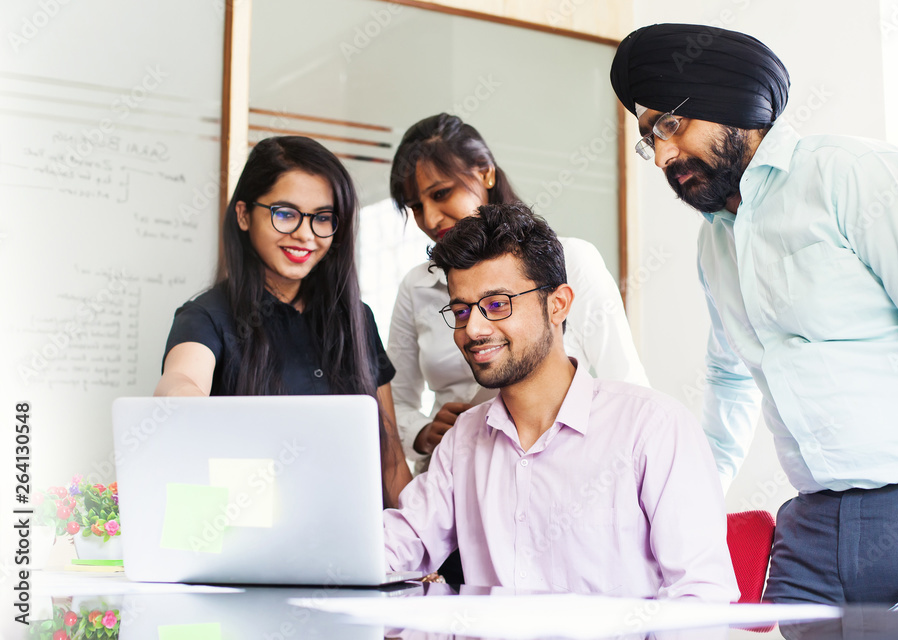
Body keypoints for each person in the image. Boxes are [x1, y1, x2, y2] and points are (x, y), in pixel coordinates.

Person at [610, 23, 898, 614]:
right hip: (808, 529)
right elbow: (730, 381)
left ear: (729, 104)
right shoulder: (713, 242)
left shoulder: (852, 174)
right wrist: (688, 512)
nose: (662, 155)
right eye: (650, 138)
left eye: (671, 125)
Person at [383, 203, 738, 600]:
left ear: (558, 304)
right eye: (462, 311)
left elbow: (700, 599)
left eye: (497, 304)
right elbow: (397, 545)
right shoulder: (463, 441)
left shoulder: (654, 428)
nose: (474, 329)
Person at [154, 136, 411, 507]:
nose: (305, 234)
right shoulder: (206, 316)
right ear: (243, 214)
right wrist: (182, 397)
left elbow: (391, 462)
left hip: (350, 541)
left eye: (323, 218)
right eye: (285, 213)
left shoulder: (356, 318)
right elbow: (180, 381)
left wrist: (417, 551)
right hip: (250, 545)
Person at [387, 113, 648, 473]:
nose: (430, 219)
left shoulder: (572, 261)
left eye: (441, 193)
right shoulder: (415, 287)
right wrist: (424, 432)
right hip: (450, 475)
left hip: (554, 470)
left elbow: (625, 384)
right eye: (415, 207)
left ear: (485, 173)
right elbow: (394, 401)